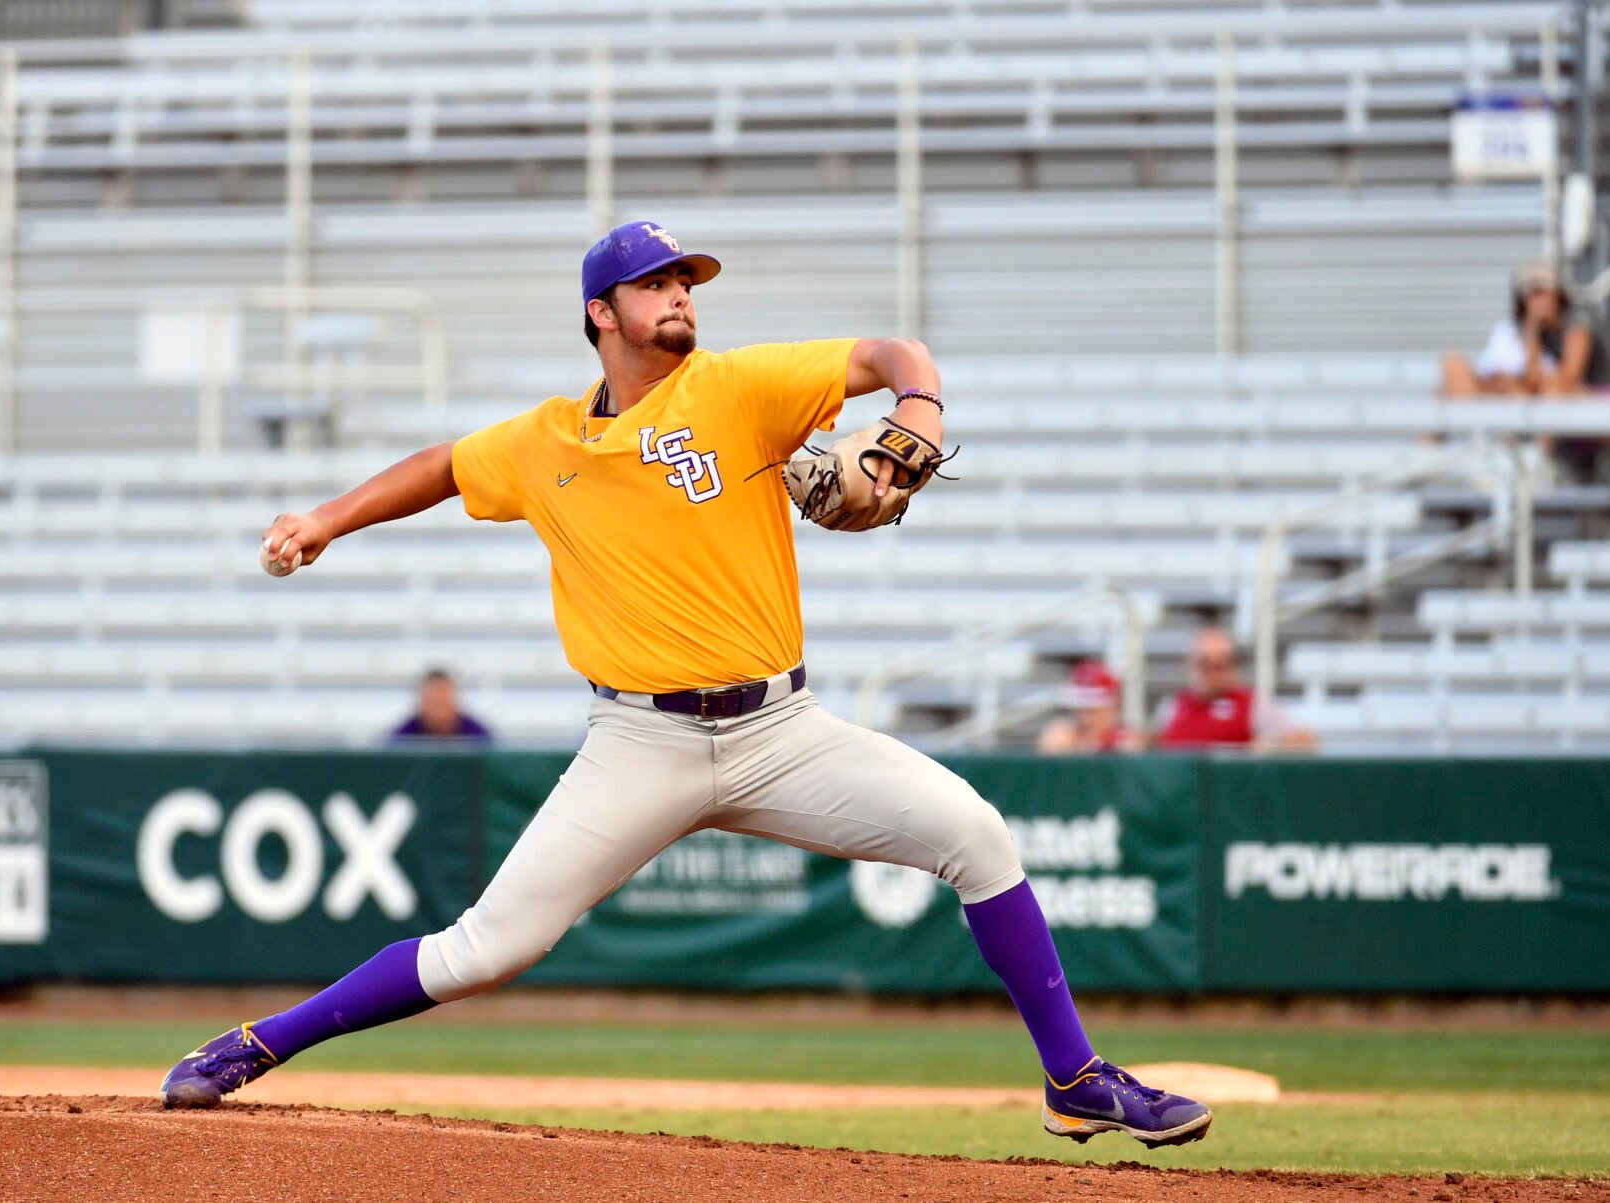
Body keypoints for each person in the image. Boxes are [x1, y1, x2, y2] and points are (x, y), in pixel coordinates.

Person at [158, 220, 1211, 1149]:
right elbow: (444, 463)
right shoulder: (546, 442)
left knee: (976, 836)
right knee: (488, 946)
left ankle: (1074, 1083)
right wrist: (324, 520)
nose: (680, 296)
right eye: (658, 282)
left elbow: (889, 351)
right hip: (639, 746)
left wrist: (920, 405)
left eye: (687, 282)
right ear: (600, 312)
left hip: (780, 729)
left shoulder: (739, 387)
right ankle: (261, 1042)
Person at [1439, 259, 1608, 399]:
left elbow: (1569, 377)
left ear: (1557, 293)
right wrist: (1531, 333)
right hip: (1556, 396)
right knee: (1453, 371)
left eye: (1543, 292)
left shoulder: (1578, 321)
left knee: (1551, 391)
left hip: (1598, 394)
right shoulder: (1529, 329)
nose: (1539, 301)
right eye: (1532, 295)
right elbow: (1530, 378)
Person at [1157, 628, 1316, 752]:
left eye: (1221, 664)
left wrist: (1270, 745)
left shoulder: (1251, 704)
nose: (1213, 673)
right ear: (1190, 663)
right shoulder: (1176, 704)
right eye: (1204, 663)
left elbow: (1305, 742)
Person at [1037, 660, 1144, 755]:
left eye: (1094, 711)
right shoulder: (1064, 736)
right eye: (1080, 710)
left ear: (1112, 707)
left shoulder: (1124, 742)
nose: (1085, 719)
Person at [388, 668, 493, 743]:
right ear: (422, 702)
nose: (440, 712)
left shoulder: (478, 737)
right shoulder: (402, 739)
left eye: (444, 703)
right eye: (435, 703)